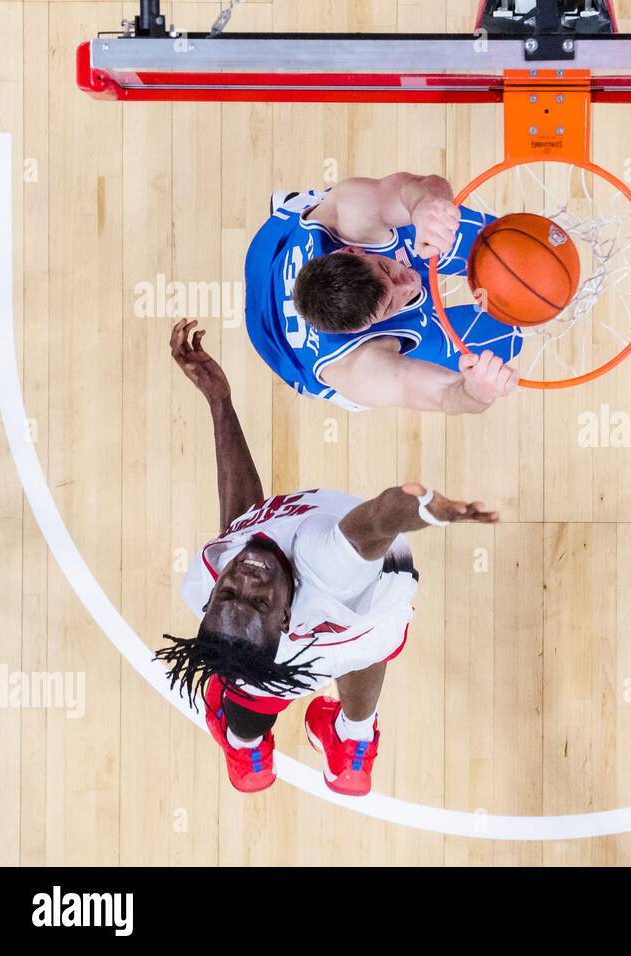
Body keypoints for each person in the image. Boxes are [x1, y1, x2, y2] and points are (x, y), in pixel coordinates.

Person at [159, 320, 498, 795]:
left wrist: (220, 402)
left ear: (215, 594)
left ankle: (247, 748)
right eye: (257, 600)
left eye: (229, 592)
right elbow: (380, 519)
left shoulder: (223, 581)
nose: (246, 578)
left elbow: (245, 521)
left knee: (240, 688)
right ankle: (351, 742)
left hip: (356, 629)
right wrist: (428, 508)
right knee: (364, 642)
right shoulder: (326, 566)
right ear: (285, 617)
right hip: (372, 619)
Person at [244, 174, 520, 412]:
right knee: (507, 339)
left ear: (350, 250)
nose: (410, 284)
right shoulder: (358, 369)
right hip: (282, 352)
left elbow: (420, 185)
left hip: (268, 250)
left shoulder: (349, 213)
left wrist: (426, 206)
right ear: (363, 327)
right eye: (390, 305)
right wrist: (476, 392)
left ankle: (295, 202)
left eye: (387, 269)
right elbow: (446, 396)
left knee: (510, 247)